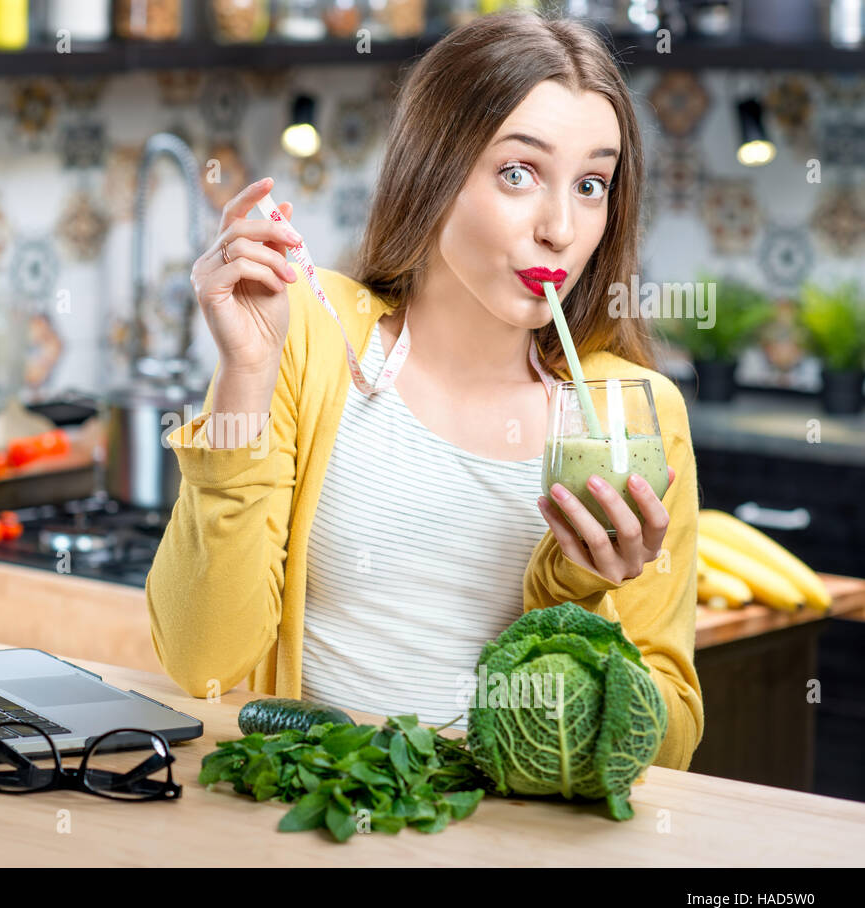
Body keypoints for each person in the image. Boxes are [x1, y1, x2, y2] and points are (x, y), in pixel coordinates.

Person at [146, 11, 703, 769]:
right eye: (518, 172)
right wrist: (246, 375)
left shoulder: (632, 418)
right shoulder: (308, 337)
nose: (561, 228)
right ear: (433, 169)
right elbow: (200, 659)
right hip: (319, 821)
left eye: (592, 183)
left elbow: (667, 742)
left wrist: (581, 593)